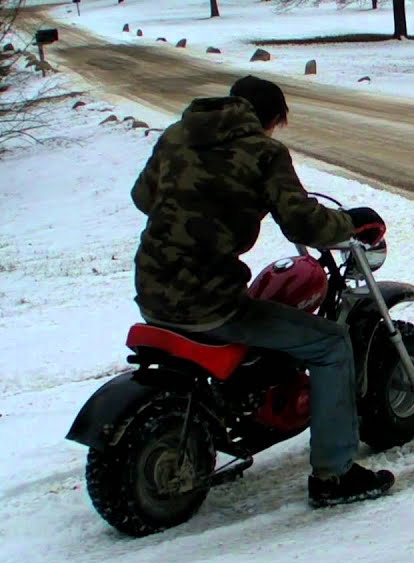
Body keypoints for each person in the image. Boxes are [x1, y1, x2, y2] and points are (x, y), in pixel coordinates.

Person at [129, 74, 394, 508]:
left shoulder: (178, 135)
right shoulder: (263, 152)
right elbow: (302, 223)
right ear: (270, 119)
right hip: (209, 301)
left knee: (260, 312)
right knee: (330, 343)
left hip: (152, 288)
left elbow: (144, 198)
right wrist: (353, 223)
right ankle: (336, 474)